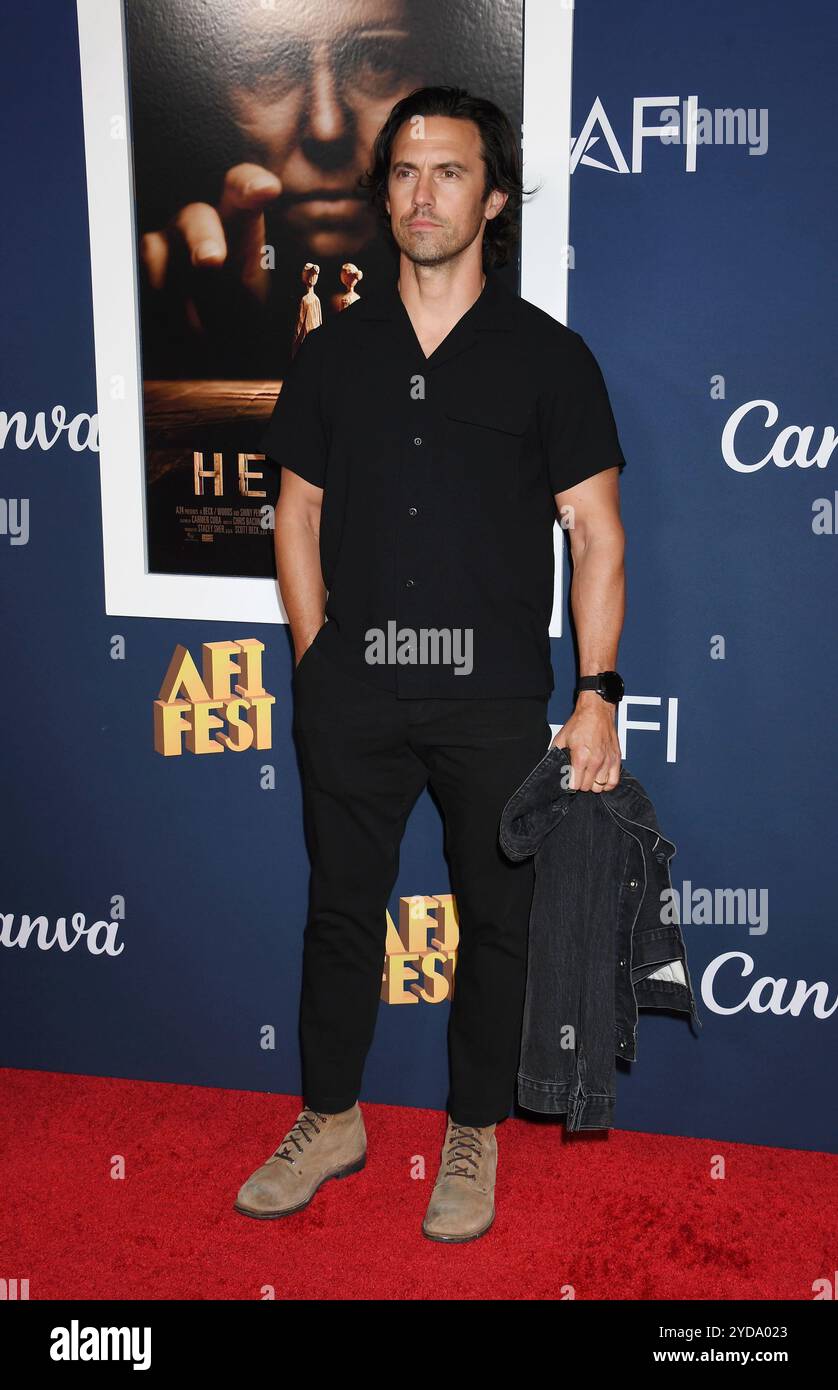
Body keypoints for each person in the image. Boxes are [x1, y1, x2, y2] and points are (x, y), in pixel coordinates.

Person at [234, 86, 627, 1242]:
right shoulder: (333, 353)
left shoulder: (548, 359)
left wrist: (595, 694)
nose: (422, 193)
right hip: (352, 688)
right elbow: (293, 512)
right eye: (404, 171)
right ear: (383, 192)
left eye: (449, 172)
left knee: (494, 921)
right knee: (341, 911)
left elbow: (596, 533)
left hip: (495, 696)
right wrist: (314, 659)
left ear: (492, 196)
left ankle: (472, 1132)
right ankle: (332, 1118)